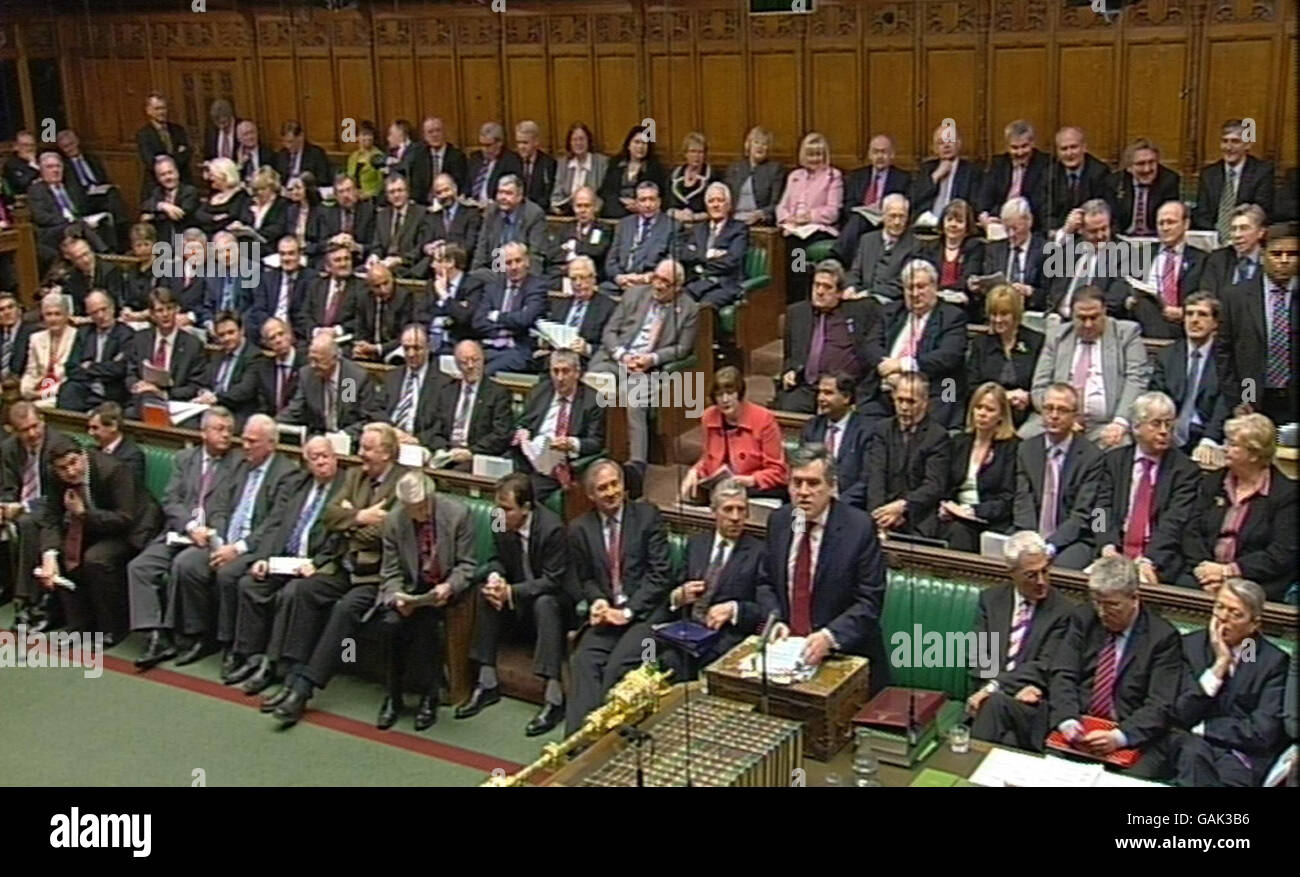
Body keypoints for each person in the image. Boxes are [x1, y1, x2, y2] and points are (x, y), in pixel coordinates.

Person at [270, 471, 476, 731]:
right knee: (384, 620)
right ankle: (390, 696)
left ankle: (430, 696)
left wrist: (449, 586)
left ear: (432, 498)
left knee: (424, 625)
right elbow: (390, 571)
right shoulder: (395, 521)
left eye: (423, 508)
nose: (418, 514)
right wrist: (396, 595)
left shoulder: (457, 514)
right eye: (412, 509)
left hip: (443, 590)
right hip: (405, 590)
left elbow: (467, 565)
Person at [244, 423, 407, 697]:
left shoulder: (403, 482)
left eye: (367, 448)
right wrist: (359, 516)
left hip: (373, 575)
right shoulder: (355, 476)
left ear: (387, 453)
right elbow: (329, 517)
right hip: (341, 565)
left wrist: (349, 519)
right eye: (360, 447)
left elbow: (384, 533)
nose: (360, 454)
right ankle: (289, 669)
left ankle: (303, 688)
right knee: (300, 590)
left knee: (343, 610)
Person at [168, 414, 299, 670]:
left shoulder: (287, 474)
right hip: (225, 540)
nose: (245, 446)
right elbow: (221, 505)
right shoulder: (240, 463)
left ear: (271, 444)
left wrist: (237, 548)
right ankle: (198, 636)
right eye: (245, 440)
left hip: (253, 546)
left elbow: (275, 524)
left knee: (228, 574)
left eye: (252, 441)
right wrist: (219, 539)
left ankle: (230, 643)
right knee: (187, 564)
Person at [758, 443, 890, 695]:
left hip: (844, 655)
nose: (803, 492)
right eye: (797, 483)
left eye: (813, 483)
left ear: (832, 486)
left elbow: (869, 601)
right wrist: (774, 618)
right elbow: (765, 583)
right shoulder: (780, 521)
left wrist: (830, 637)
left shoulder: (858, 528)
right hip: (787, 653)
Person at [456, 473, 572, 736]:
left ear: (526, 508)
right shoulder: (498, 520)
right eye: (498, 507)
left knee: (545, 602)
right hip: (518, 600)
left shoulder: (552, 528)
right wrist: (496, 578)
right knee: (486, 592)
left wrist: (511, 591)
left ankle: (554, 697)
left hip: (552, 604)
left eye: (507, 509)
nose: (500, 513)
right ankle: (487, 682)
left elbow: (553, 581)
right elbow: (497, 558)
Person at [224, 436, 347, 687]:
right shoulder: (298, 485)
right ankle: (250, 656)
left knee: (291, 593)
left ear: (335, 457)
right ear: (306, 463)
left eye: (325, 456)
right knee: (250, 584)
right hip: (286, 559)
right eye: (314, 458)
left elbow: (342, 537)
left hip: (318, 564)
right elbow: (276, 525)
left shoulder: (346, 487)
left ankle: (273, 665)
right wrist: (264, 559)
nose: (321, 462)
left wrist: (318, 563)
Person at [1048, 555, 1183, 780]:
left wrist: (1119, 737)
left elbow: (1160, 705)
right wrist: (1068, 721)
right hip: (1080, 729)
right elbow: (1063, 674)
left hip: (1129, 737)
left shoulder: (1163, 637)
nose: (1102, 612)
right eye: (1097, 603)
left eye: (1112, 605)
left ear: (1135, 598)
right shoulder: (1084, 618)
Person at [565, 459, 673, 734]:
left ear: (624, 486)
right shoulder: (580, 529)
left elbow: (661, 574)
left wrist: (628, 612)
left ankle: (608, 740)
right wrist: (598, 601)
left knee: (618, 664)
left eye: (615, 484)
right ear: (591, 495)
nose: (611, 492)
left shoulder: (647, 515)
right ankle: (578, 744)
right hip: (609, 614)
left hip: (647, 614)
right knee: (584, 659)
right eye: (603, 488)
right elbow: (585, 579)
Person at [127, 407, 240, 670]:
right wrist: (189, 526)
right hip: (180, 531)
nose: (226, 435)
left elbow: (231, 508)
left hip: (211, 538)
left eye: (229, 431)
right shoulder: (184, 458)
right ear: (203, 432)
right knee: (139, 567)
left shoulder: (237, 464)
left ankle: (191, 635)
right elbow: (171, 499)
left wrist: (209, 533)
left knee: (185, 565)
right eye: (219, 429)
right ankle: (155, 636)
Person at [1170, 578, 1289, 786]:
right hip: (1193, 747)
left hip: (1241, 756)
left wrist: (1206, 727)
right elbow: (1181, 711)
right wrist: (1220, 664)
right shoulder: (1191, 646)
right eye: (1220, 607)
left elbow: (1263, 731)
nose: (1223, 618)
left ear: (1254, 624)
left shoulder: (1269, 661)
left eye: (1235, 614)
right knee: (1191, 754)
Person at [588, 258, 700, 468]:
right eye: (656, 278)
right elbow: (610, 331)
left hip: (650, 369)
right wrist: (622, 355)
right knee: (594, 383)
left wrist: (651, 359)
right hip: (617, 359)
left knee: (633, 398)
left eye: (665, 281)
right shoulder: (635, 294)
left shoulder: (688, 308)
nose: (657, 285)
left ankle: (637, 464)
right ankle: (593, 449)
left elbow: (682, 348)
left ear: (677, 287)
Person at [967, 531, 1072, 751]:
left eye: (1045, 571)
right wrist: (990, 688)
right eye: (1031, 575)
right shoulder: (991, 600)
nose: (1042, 581)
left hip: (1032, 702)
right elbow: (979, 654)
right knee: (1005, 736)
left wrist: (996, 688)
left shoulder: (1063, 611)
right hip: (991, 697)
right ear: (1012, 573)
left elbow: (1045, 664)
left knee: (995, 706)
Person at [1179, 413, 1297, 602]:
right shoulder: (1213, 482)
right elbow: (1191, 531)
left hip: (1254, 582)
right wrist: (1205, 570)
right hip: (1204, 575)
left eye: (1233, 445)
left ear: (1254, 454)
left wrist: (1229, 572)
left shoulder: (1286, 494)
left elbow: (1281, 554)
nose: (1225, 449)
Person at [36, 439, 142, 645]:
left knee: (96, 559)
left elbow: (125, 518)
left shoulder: (113, 470)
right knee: (64, 552)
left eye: (74, 463)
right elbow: (51, 517)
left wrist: (84, 514)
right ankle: (79, 625)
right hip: (90, 526)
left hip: (130, 530)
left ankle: (112, 628)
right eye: (63, 468)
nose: (71, 472)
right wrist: (49, 555)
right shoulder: (54, 476)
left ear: (83, 455)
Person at [660, 478, 766, 679]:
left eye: (740, 509)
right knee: (656, 661)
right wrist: (678, 596)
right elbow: (672, 587)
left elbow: (764, 608)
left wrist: (734, 609)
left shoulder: (759, 552)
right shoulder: (696, 544)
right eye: (728, 510)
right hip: (685, 633)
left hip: (725, 638)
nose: (735, 517)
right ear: (714, 511)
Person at [1094, 391, 1201, 586]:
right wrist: (1105, 545)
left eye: (1168, 424)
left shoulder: (1185, 470)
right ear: (1136, 427)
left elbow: (1175, 523)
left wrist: (1150, 560)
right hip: (1114, 551)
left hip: (1157, 557)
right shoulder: (1113, 461)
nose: (1164, 431)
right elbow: (1100, 510)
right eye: (1156, 423)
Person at [1026, 286, 1150, 448]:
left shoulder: (1126, 334)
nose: (1088, 324)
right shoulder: (1058, 336)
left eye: (1094, 317)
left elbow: (1137, 380)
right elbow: (1040, 386)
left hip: (1106, 425)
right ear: (1071, 315)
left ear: (1104, 312)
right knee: (1024, 438)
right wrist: (1059, 417)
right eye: (1081, 318)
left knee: (1120, 447)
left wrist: (1120, 422)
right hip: (1058, 418)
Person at [861, 259, 968, 429]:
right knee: (864, 426)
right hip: (885, 390)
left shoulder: (952, 316)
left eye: (921, 287)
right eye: (909, 288)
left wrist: (903, 366)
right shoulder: (891, 311)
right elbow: (871, 345)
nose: (914, 293)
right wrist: (885, 369)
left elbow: (949, 356)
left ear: (934, 287)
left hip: (931, 392)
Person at [1012, 383, 1103, 570]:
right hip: (1033, 534)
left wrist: (1051, 546)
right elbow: (1023, 500)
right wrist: (1030, 540)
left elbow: (1082, 514)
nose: (1054, 415)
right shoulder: (1027, 449)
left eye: (1062, 410)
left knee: (1057, 569)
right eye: (1049, 408)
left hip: (1072, 540)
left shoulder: (1091, 456)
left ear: (1074, 416)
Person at [1216, 222, 1298, 425]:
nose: (1284, 261)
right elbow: (1225, 353)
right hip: (1253, 395)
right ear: (1263, 255)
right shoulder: (1236, 297)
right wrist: (1242, 399)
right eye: (1277, 254)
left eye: (1292, 254)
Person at [777, 259, 877, 413]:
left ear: (839, 293)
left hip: (842, 390)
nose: (820, 291)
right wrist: (789, 371)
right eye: (817, 285)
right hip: (807, 387)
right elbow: (790, 356)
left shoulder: (859, 312)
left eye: (827, 287)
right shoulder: (796, 313)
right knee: (786, 407)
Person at [680, 366, 788, 502]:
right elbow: (707, 459)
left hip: (756, 488)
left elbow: (778, 471)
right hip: (720, 487)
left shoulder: (763, 419)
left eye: (730, 393)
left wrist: (751, 480)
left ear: (740, 393)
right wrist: (694, 472)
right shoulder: (709, 417)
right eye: (719, 394)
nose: (725, 399)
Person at [511, 349, 606, 500]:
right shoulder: (539, 391)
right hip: (529, 459)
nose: (560, 378)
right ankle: (499, 524)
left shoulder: (593, 400)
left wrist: (571, 443)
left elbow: (597, 443)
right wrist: (522, 432)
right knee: (500, 483)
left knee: (521, 494)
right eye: (555, 371)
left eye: (565, 371)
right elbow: (523, 422)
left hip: (560, 465)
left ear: (577, 372)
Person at [865, 371, 951, 537]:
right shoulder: (882, 430)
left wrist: (902, 507)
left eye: (911, 402)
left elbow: (934, 486)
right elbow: (876, 476)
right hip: (883, 513)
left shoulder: (938, 436)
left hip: (917, 516)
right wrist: (880, 515)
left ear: (925, 403)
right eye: (900, 400)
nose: (904, 407)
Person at [934, 382, 1018, 551]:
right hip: (955, 515)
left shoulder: (1012, 448)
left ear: (1001, 415)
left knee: (959, 533)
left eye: (989, 409)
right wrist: (945, 505)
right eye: (978, 407)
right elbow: (944, 484)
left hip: (989, 520)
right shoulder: (959, 442)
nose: (982, 414)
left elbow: (1008, 499)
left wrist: (973, 511)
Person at [1150, 291, 1229, 457]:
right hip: (1170, 432)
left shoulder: (1228, 358)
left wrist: (1210, 439)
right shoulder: (1167, 355)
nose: (1194, 320)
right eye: (1189, 314)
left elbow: (1228, 403)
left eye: (1202, 314)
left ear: (1215, 323)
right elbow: (1157, 396)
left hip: (1210, 434)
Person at [0, 403, 57, 629]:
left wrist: (21, 507)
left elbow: (56, 496)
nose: (32, 434)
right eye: (25, 430)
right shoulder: (9, 448)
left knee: (26, 523)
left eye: (35, 426)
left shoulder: (58, 445)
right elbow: (7, 488)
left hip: (53, 510)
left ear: (42, 420)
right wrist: (4, 507)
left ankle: (24, 601)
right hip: (22, 508)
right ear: (13, 430)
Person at [776, 132, 843, 302]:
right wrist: (787, 218)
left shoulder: (833, 176)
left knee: (796, 249)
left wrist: (810, 217)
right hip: (794, 228)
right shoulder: (795, 176)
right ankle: (786, 298)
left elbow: (833, 210)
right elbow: (781, 206)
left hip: (819, 228)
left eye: (818, 154)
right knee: (781, 245)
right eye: (811, 154)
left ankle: (800, 297)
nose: (815, 159)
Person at [425, 339, 513, 466]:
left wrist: (471, 452)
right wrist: (443, 448)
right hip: (446, 453)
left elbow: (501, 434)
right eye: (464, 362)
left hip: (476, 456)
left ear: (483, 360)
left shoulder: (498, 393)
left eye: (475, 360)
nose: (470, 366)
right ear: (457, 364)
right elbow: (434, 427)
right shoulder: (447, 391)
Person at [966, 284, 1044, 429]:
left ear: (1015, 313)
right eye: (993, 314)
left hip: (1026, 415)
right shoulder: (981, 343)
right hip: (989, 414)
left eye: (1004, 314)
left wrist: (1028, 398)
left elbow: (1042, 383)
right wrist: (1005, 396)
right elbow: (971, 387)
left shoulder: (1036, 341)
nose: (998, 320)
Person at [1126, 200, 1206, 339]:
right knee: (1143, 305)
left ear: (1185, 224)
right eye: (1161, 223)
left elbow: (1206, 295)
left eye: (1171, 222)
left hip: (1183, 320)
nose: (1165, 228)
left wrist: (1183, 311)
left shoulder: (1201, 259)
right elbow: (1125, 283)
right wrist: (1128, 300)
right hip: (1144, 317)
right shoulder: (1141, 254)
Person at [1042, 198, 1133, 318]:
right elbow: (1044, 273)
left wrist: (1084, 316)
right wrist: (1066, 231)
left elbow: (1115, 300)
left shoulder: (1123, 252)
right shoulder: (1070, 247)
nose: (1100, 235)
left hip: (1095, 321)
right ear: (1080, 230)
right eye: (1093, 231)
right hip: (1058, 319)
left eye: (1104, 229)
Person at [281, 333, 379, 440]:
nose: (313, 365)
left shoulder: (350, 379)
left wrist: (342, 436)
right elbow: (295, 410)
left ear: (334, 358)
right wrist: (271, 424)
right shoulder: (308, 375)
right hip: (318, 437)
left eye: (318, 360)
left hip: (347, 437)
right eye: (311, 359)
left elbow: (356, 415)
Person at [471, 241, 547, 375]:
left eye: (518, 261)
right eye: (508, 262)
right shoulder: (493, 287)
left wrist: (496, 317)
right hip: (489, 346)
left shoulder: (537, 287)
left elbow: (525, 319)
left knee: (482, 373)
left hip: (518, 351)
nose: (513, 267)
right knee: (465, 361)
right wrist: (504, 331)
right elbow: (478, 321)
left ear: (527, 262)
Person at [1193, 119, 1276, 240]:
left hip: (1247, 238)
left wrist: (1238, 232)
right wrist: (1215, 237)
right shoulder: (1209, 174)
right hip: (1213, 239)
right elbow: (1202, 214)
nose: (1228, 147)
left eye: (1235, 141)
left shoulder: (1262, 172)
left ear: (1247, 144)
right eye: (1224, 141)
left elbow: (1262, 211)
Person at [800, 371, 872, 508]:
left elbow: (867, 479)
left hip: (851, 505)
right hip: (813, 502)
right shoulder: (812, 427)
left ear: (846, 397)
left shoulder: (866, 430)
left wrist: (837, 504)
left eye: (828, 393)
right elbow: (803, 468)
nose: (821, 398)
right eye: (819, 392)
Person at [679, 181, 748, 308]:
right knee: (678, 301)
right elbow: (685, 255)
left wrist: (700, 261)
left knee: (705, 306)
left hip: (724, 285)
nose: (716, 205)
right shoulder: (697, 229)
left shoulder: (739, 228)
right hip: (697, 283)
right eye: (711, 201)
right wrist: (709, 254)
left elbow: (731, 261)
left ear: (728, 205)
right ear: (706, 206)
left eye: (720, 200)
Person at [602, 181, 676, 296]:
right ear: (636, 203)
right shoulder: (624, 224)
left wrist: (647, 277)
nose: (648, 204)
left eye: (652, 199)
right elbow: (611, 261)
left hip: (650, 284)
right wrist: (620, 277)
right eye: (643, 200)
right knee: (600, 292)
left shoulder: (671, 226)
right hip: (621, 283)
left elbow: (671, 261)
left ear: (659, 202)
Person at [840, 192, 918, 300]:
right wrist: (851, 287)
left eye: (902, 216)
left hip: (891, 302)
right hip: (860, 298)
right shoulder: (867, 240)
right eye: (892, 216)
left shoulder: (915, 244)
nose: (897, 222)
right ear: (883, 215)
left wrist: (869, 293)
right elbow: (855, 272)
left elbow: (903, 283)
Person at [376, 325, 446, 445]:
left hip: (418, 443)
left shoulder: (443, 383)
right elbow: (376, 409)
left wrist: (418, 440)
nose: (411, 354)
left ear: (428, 347)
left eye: (417, 348)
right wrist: (391, 431)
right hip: (388, 439)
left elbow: (442, 425)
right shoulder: (392, 376)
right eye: (406, 348)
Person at [469, 173, 548, 280]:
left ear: (519, 196)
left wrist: (528, 282)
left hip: (520, 275)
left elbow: (536, 256)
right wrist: (474, 274)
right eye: (500, 192)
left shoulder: (533, 214)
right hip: (493, 274)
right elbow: (481, 251)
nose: (503, 197)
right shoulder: (492, 212)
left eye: (508, 193)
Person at [978, 119, 1050, 230]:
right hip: (998, 223)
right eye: (1014, 148)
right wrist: (985, 217)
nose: (1020, 152)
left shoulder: (1045, 164)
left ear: (1032, 143)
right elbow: (984, 198)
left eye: (1024, 146)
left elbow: (1037, 204)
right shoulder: (998, 164)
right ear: (1007, 147)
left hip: (1030, 226)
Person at [918, 198, 984, 318]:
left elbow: (969, 277)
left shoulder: (975, 248)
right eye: (949, 220)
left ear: (967, 226)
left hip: (961, 303)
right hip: (933, 300)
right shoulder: (931, 247)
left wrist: (947, 292)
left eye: (959, 221)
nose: (953, 225)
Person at [543, 255, 615, 364]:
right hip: (556, 358)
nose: (578, 283)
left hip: (584, 360)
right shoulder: (560, 305)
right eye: (573, 279)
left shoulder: (607, 307)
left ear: (593, 279)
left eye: (582, 277)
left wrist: (588, 349)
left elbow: (610, 346)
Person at [1104, 138, 1182, 237]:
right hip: (1123, 238)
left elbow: (1169, 216)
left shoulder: (1168, 180)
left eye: (1151, 162)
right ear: (1129, 168)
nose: (1147, 169)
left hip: (1157, 238)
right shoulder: (1114, 182)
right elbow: (1112, 218)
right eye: (1141, 164)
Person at [194, 311, 261, 425]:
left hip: (237, 412)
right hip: (211, 409)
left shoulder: (255, 356)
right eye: (222, 335)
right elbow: (204, 381)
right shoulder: (218, 354)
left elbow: (244, 391)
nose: (227, 338)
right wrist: (203, 393)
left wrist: (215, 398)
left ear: (242, 330)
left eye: (231, 332)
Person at [981, 196, 1047, 309]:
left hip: (1030, 309)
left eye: (1015, 228)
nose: (1011, 234)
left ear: (1029, 221)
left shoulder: (1047, 251)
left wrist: (1029, 291)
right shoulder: (994, 250)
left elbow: (1050, 295)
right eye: (1006, 229)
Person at [910, 121, 982, 219]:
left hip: (957, 224)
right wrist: (935, 177)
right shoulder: (926, 168)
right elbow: (914, 199)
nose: (946, 146)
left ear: (959, 143)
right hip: (926, 224)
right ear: (934, 148)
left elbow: (975, 204)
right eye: (941, 143)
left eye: (950, 141)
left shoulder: (972, 171)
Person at [421, 241, 482, 355]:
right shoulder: (432, 284)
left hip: (458, 346)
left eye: (437, 261)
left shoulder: (473, 285)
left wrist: (444, 296)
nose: (432, 265)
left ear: (450, 262)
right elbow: (421, 315)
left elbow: (465, 318)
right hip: (430, 343)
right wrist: (445, 320)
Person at [597, 123, 667, 220]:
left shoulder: (654, 169)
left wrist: (639, 204)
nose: (640, 147)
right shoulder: (615, 164)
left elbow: (661, 196)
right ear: (628, 145)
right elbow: (605, 191)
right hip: (614, 212)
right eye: (637, 142)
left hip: (642, 215)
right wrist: (621, 201)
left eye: (644, 143)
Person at [1047, 126, 1111, 231]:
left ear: (1084, 147)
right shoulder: (1050, 173)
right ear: (1057, 152)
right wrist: (1063, 230)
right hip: (1060, 233)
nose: (1069, 153)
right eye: (1064, 149)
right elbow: (1046, 213)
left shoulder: (1100, 172)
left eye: (1073, 147)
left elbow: (1103, 210)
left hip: (1090, 232)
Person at [20, 292, 77, 408]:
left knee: (36, 408)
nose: (53, 319)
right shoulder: (36, 338)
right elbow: (31, 371)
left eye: (57, 314)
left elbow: (70, 376)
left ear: (66, 315)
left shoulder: (77, 337)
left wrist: (43, 394)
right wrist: (26, 389)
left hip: (62, 393)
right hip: (39, 389)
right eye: (48, 314)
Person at [248, 235, 311, 339]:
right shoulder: (267, 278)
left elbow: (305, 313)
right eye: (282, 254)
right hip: (269, 330)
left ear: (300, 254)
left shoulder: (312, 279)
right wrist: (271, 324)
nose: (286, 258)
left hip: (296, 332)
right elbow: (258, 309)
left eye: (291, 254)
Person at [724, 125, 785, 226]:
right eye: (756, 142)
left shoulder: (775, 169)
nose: (760, 147)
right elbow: (724, 196)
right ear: (748, 145)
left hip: (759, 221)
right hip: (732, 220)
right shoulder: (735, 168)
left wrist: (761, 213)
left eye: (764, 144)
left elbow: (777, 203)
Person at [418, 175, 482, 272]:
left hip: (463, 268)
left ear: (455, 189)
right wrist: (428, 248)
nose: (444, 195)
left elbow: (470, 245)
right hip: (434, 269)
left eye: (446, 190)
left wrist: (445, 250)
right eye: (439, 193)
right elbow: (424, 243)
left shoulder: (471, 214)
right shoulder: (431, 218)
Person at [135, 93, 192, 200]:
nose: (162, 112)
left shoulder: (178, 130)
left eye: (163, 108)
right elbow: (150, 161)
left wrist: (164, 158)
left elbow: (187, 154)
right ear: (148, 111)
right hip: (156, 187)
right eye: (157, 109)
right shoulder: (143, 134)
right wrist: (175, 157)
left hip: (183, 183)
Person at [352, 262, 413, 362]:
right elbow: (360, 329)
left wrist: (378, 349)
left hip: (393, 349)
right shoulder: (364, 298)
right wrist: (362, 345)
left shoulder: (404, 297)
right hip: (370, 348)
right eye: (377, 286)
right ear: (370, 287)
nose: (383, 290)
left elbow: (404, 335)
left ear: (392, 279)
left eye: (386, 283)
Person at [1201, 203, 1267, 294]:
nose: (1237, 235)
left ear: (1260, 232)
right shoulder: (1217, 260)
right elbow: (1208, 296)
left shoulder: (1270, 259)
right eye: (1233, 229)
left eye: (1244, 228)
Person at [369, 174, 426, 277]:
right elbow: (377, 245)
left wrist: (399, 260)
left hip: (407, 266)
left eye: (400, 190)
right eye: (392, 192)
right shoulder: (382, 215)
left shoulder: (421, 213)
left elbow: (420, 248)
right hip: (384, 265)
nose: (396, 195)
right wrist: (374, 256)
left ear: (407, 192)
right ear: (387, 196)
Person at [139, 156, 199, 252]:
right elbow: (145, 205)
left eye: (170, 173)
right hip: (162, 244)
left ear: (177, 173)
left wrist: (154, 215)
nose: (168, 177)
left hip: (186, 243)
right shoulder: (156, 192)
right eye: (162, 175)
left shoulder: (189, 191)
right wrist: (163, 206)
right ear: (158, 178)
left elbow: (180, 214)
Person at [550, 122, 609, 216]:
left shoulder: (601, 163)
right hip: (568, 214)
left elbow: (605, 194)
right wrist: (557, 207)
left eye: (582, 139)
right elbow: (557, 194)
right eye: (574, 140)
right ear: (570, 143)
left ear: (588, 141)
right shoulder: (563, 163)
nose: (578, 143)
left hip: (594, 214)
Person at [303, 242, 362, 337]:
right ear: (327, 267)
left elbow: (363, 319)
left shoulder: (362, 286)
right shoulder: (316, 285)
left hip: (345, 341)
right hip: (315, 340)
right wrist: (316, 331)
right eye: (337, 260)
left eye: (347, 259)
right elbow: (303, 315)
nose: (343, 264)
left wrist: (337, 331)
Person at [253, 317, 306, 418]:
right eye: (272, 338)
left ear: (290, 335)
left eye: (281, 334)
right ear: (267, 344)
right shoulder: (264, 368)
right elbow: (263, 406)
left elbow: (302, 405)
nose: (278, 340)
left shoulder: (305, 364)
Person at [409, 116, 469, 204]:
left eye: (438, 130)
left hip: (450, 203)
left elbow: (461, 185)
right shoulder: (418, 157)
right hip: (424, 206)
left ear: (444, 133)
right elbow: (416, 187)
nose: (434, 135)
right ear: (425, 136)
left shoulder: (457, 156)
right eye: (430, 132)